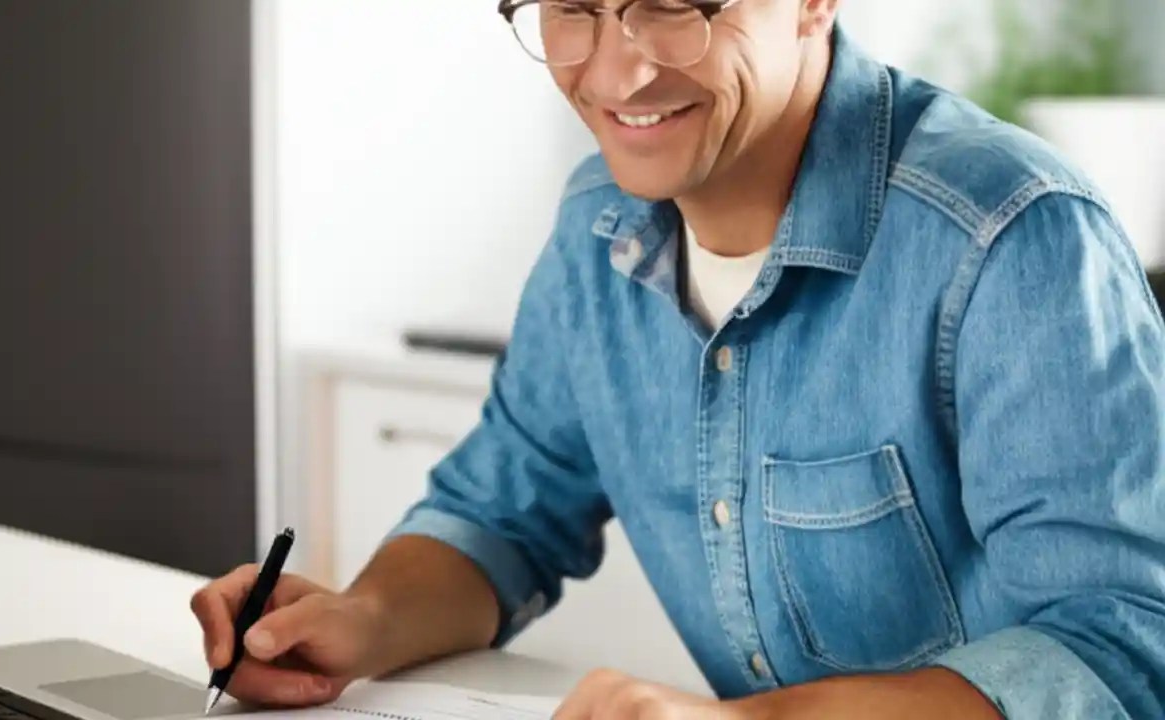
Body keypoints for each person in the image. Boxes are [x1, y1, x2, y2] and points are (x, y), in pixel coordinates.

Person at [192, 1, 1165, 717]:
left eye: (675, 7)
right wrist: (358, 622)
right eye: (574, 10)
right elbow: (500, 516)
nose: (617, 73)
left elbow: (1119, 649)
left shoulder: (1009, 233)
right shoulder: (594, 227)